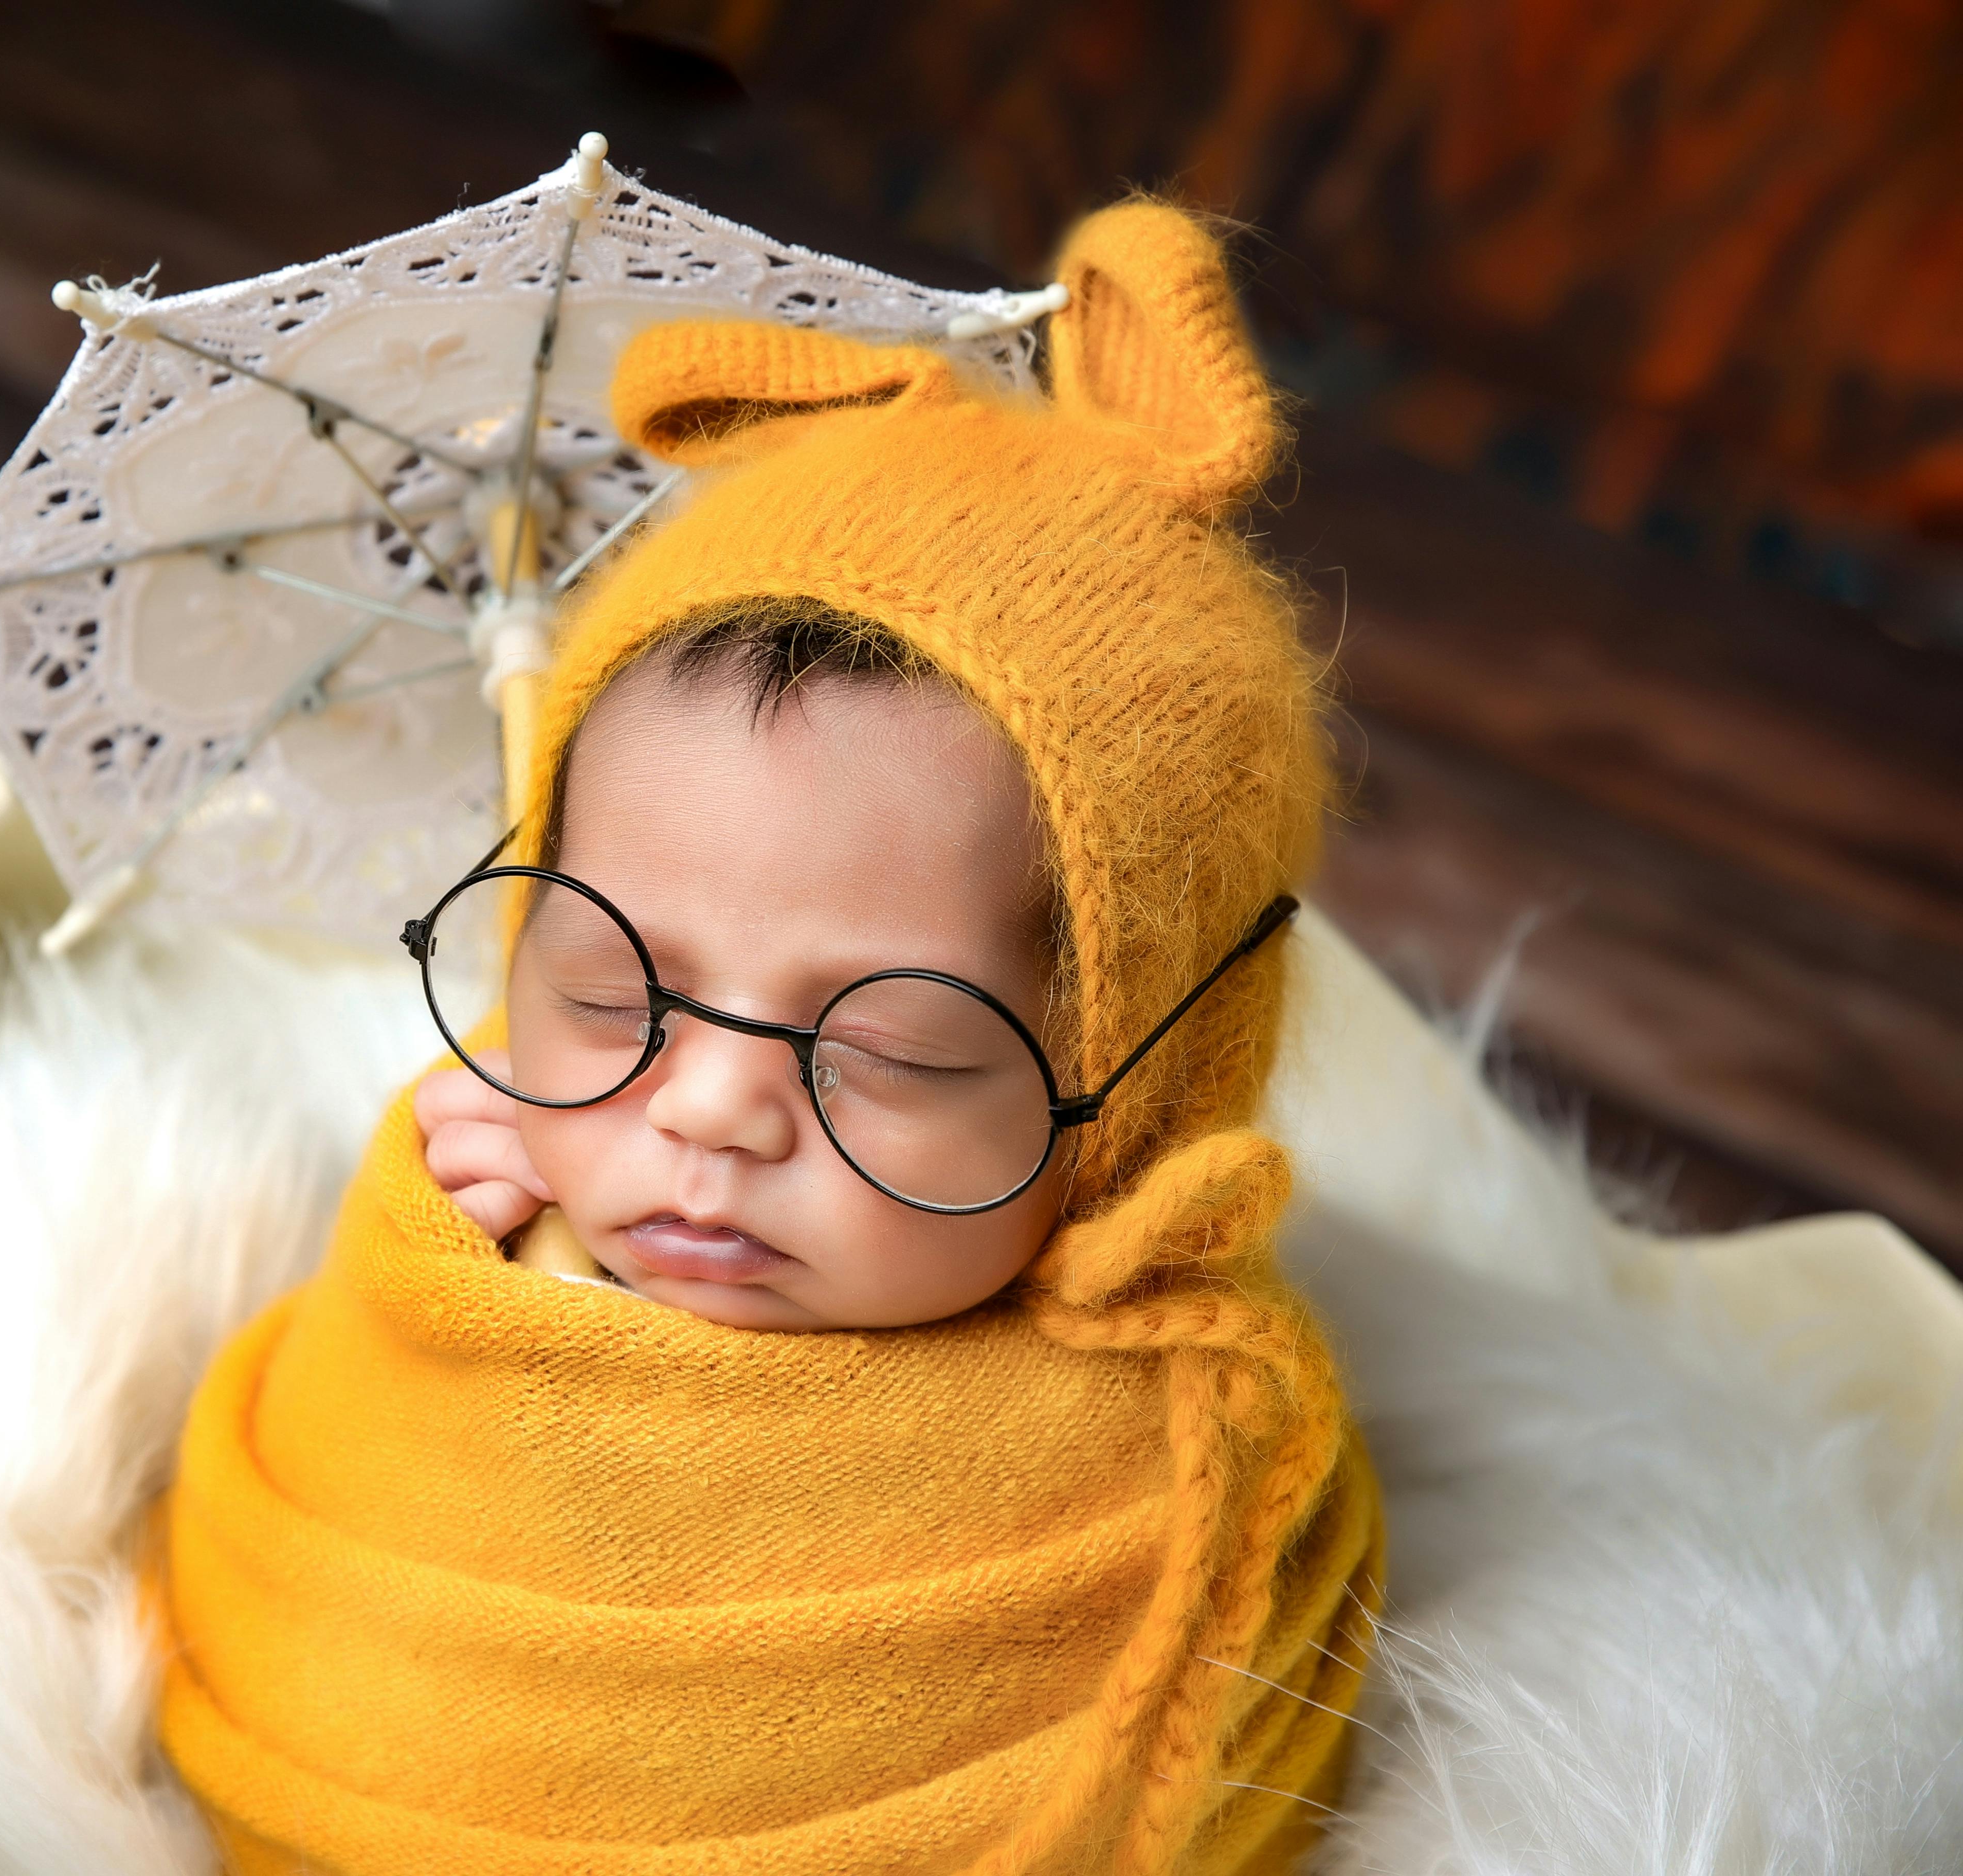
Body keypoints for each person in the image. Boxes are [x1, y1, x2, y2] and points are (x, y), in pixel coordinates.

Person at [152, 200, 1385, 1876]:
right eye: (613, 996)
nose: (714, 1108)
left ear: (1144, 1098)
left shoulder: (1174, 1479)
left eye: (894, 1053)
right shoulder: (498, 1172)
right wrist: (489, 1277)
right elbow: (343, 1497)